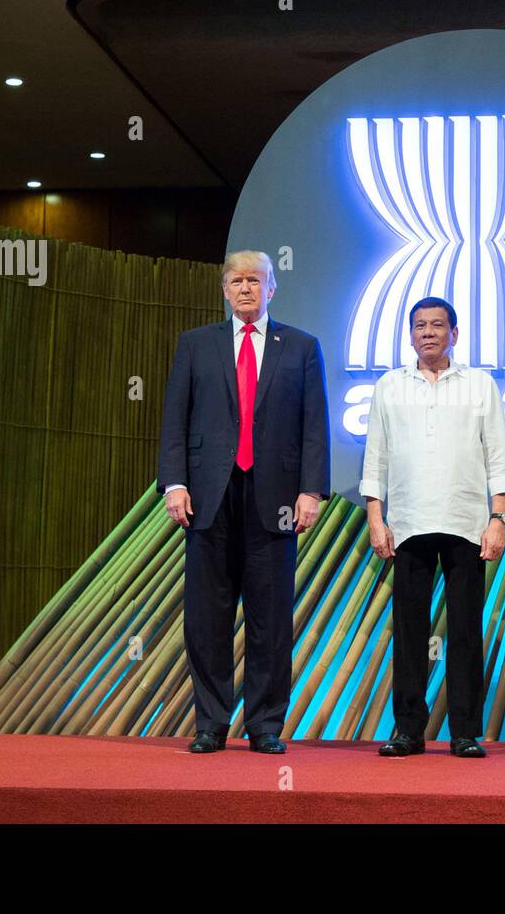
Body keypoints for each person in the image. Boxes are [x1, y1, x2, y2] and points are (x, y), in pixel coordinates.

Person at [158, 250, 329, 754]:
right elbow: (175, 421)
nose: (246, 289)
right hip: (208, 497)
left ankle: (265, 726)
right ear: (225, 290)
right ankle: (211, 723)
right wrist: (174, 483)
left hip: (275, 498)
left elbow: (314, 427)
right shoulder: (196, 345)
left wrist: (310, 489)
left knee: (270, 618)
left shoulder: (300, 346)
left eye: (256, 280)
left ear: (271, 289)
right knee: (206, 618)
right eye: (236, 281)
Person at [360, 297, 505, 758]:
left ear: (454, 333)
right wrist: (375, 516)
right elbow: (376, 457)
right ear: (411, 335)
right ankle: (408, 730)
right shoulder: (390, 386)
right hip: (406, 523)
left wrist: (498, 518)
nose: (429, 332)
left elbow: (497, 456)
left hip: (468, 523)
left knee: (466, 629)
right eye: (420, 326)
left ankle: (465, 731)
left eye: (438, 325)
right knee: (408, 631)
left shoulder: (480, 385)